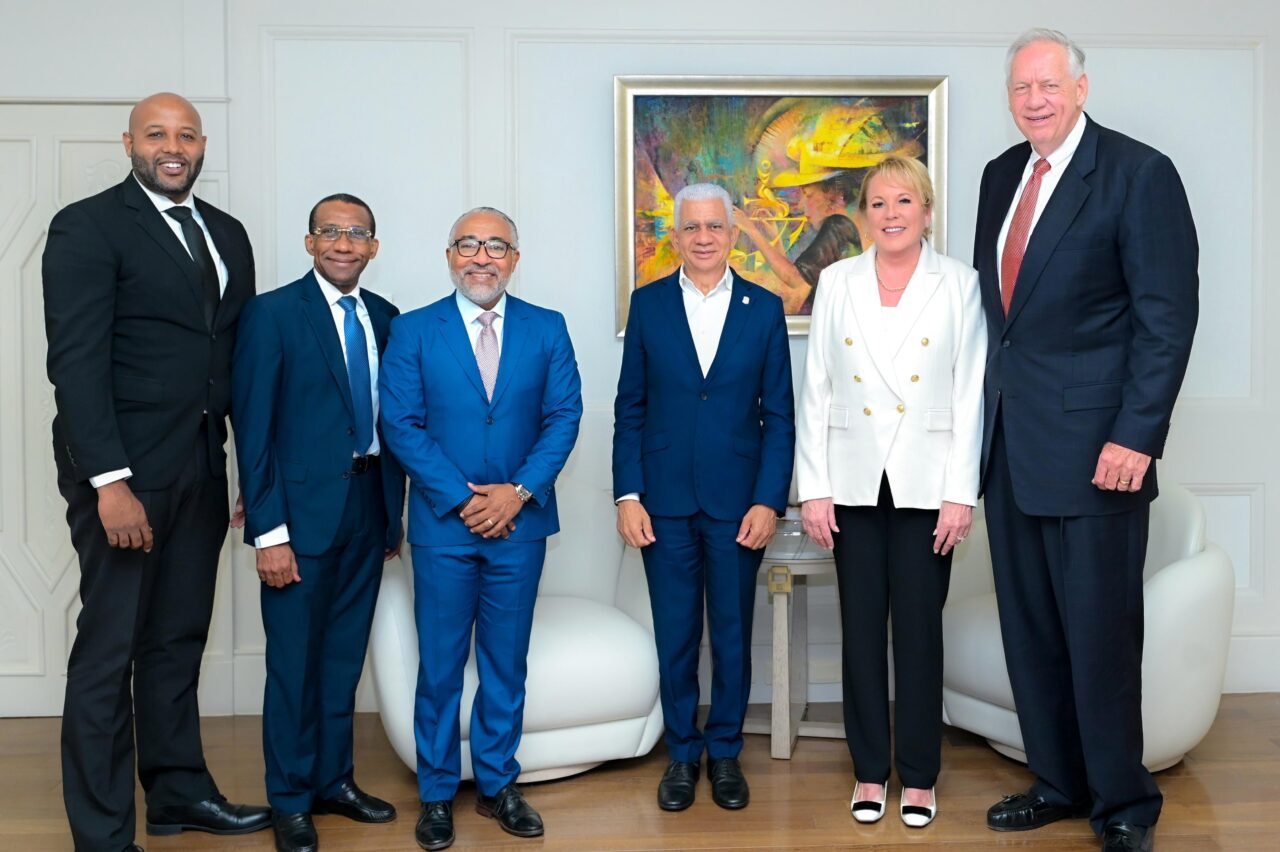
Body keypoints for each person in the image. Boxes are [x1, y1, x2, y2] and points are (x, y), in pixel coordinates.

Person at [975, 29, 1198, 852]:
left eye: (1048, 84)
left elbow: (1166, 320)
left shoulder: (1138, 174)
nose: (1034, 100)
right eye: (1021, 88)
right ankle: (1060, 782)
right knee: (1031, 630)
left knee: (1100, 635)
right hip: (1011, 447)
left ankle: (1124, 804)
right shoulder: (1001, 175)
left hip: (1100, 452)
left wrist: (1136, 436)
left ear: (1081, 87)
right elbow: (1003, 322)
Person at [41, 92, 270, 851]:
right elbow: (76, 364)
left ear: (202, 145)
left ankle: (177, 793)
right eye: (156, 134)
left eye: (186, 135)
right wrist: (109, 482)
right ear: (129, 142)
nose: (173, 147)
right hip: (125, 477)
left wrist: (249, 474)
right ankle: (103, 835)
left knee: (178, 637)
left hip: (201, 466)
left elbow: (232, 359)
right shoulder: (88, 226)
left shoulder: (227, 234)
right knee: (109, 652)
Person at [378, 207, 582, 851]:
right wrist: (462, 498)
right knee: (439, 666)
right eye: (468, 244)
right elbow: (400, 423)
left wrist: (516, 494)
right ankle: (437, 793)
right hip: (444, 527)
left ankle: (498, 785)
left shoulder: (548, 327)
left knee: (504, 662)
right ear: (449, 256)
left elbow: (564, 416)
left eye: (496, 246)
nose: (481, 257)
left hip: (521, 526)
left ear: (514, 259)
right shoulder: (414, 330)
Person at [795, 155, 985, 828]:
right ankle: (871, 770)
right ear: (863, 214)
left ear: (927, 211)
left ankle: (921, 776)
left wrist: (961, 492)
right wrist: (813, 488)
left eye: (905, 201)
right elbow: (816, 387)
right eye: (878, 203)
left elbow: (969, 392)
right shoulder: (837, 280)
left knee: (919, 633)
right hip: (851, 480)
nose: (891, 214)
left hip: (928, 483)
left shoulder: (959, 283)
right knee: (861, 632)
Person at [231, 193, 407, 852]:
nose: (343, 243)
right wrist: (269, 531)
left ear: (373, 247)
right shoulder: (272, 314)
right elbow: (253, 431)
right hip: (298, 520)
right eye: (329, 232)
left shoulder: (386, 317)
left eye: (356, 233)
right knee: (293, 666)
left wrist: (391, 517)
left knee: (342, 659)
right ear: (310, 242)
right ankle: (290, 798)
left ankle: (335, 781)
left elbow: (395, 421)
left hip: (368, 509)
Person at [613, 182, 795, 813]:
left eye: (714, 226)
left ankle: (725, 754)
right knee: (677, 636)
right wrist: (627, 494)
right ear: (676, 235)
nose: (703, 237)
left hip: (739, 504)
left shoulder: (763, 308)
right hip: (661, 502)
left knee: (733, 633)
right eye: (691, 227)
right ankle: (682, 754)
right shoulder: (649, 304)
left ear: (733, 233)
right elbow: (630, 409)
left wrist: (769, 500)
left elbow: (780, 416)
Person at [735, 174, 861, 315]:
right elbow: (792, 276)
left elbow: (793, 279)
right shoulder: (839, 227)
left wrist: (751, 230)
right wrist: (775, 237)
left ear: (833, 195)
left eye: (809, 196)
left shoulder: (836, 226)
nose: (801, 205)